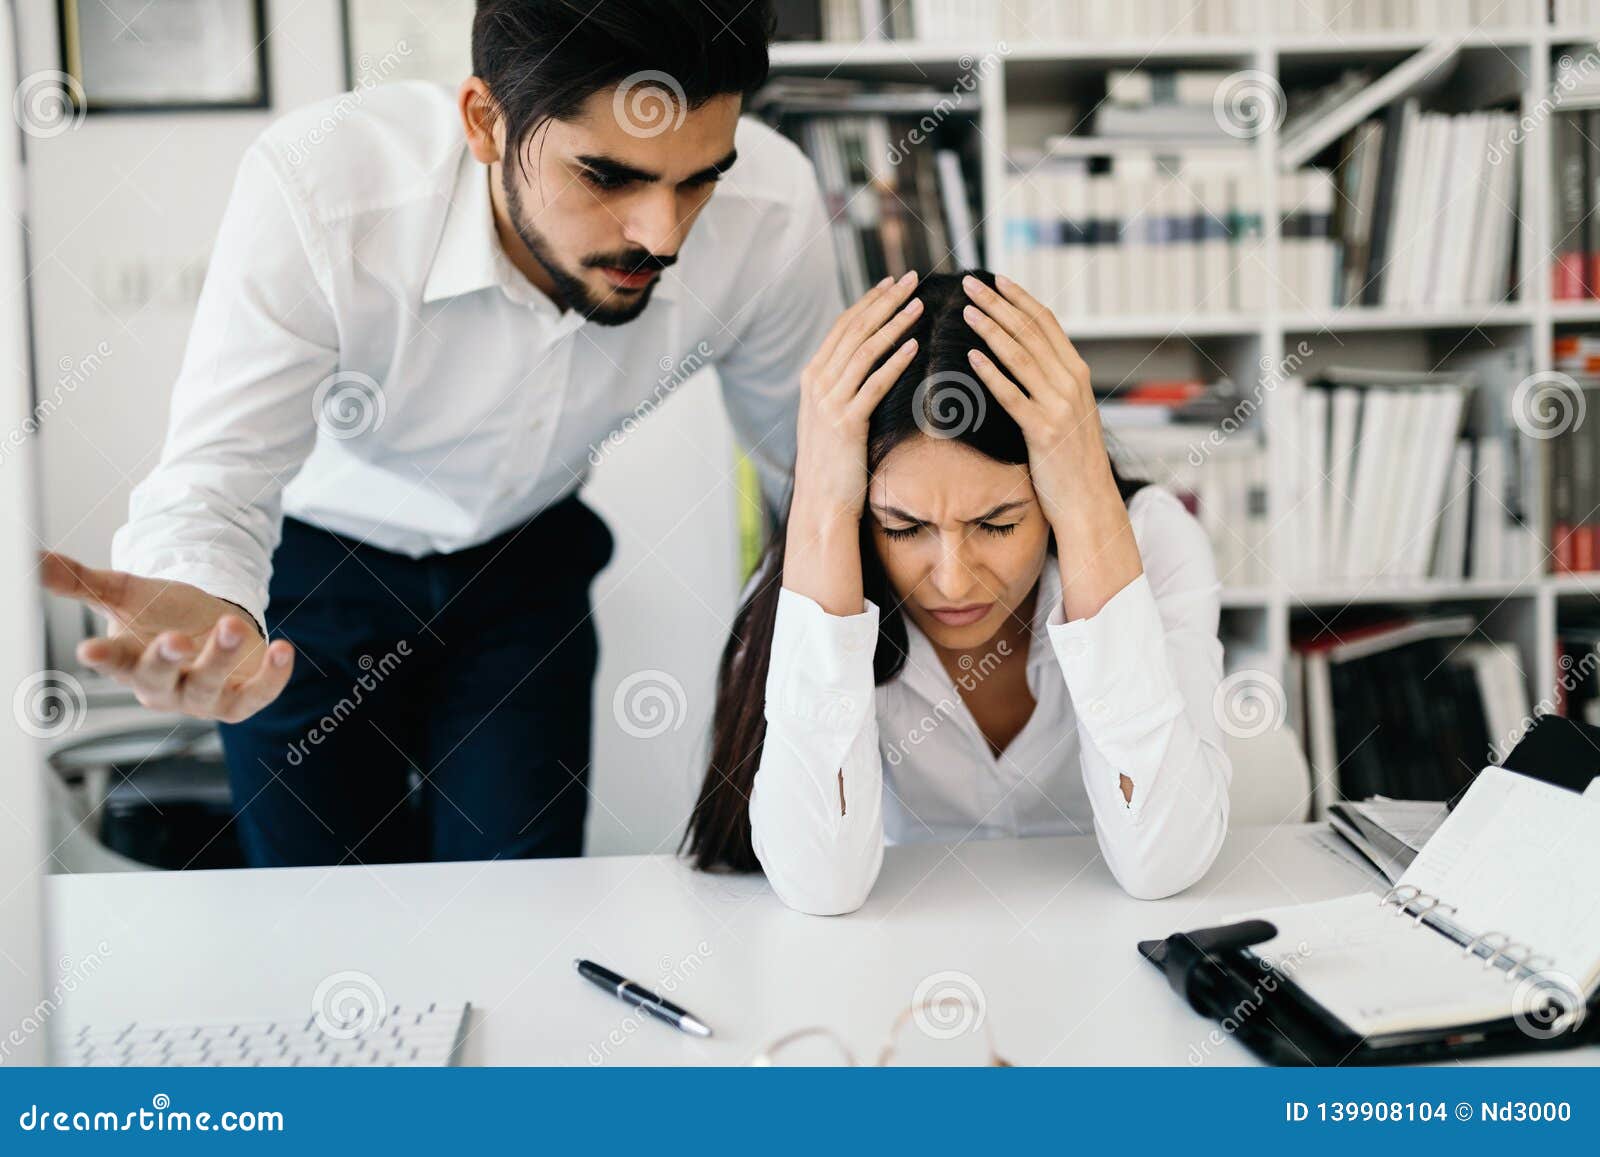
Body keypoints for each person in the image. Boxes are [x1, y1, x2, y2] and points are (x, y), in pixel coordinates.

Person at [40, 0, 843, 867]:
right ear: (485, 122)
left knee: (520, 904)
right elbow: (217, 470)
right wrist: (202, 598)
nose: (662, 234)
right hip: (311, 579)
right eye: (607, 177)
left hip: (523, 566)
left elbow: (816, 469)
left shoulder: (773, 211)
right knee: (321, 917)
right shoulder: (323, 189)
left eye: (698, 180)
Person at [682, 270, 1232, 915]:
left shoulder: (1154, 540)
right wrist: (820, 509)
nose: (952, 580)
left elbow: (1163, 863)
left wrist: (1088, 506)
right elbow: (819, 885)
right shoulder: (818, 564)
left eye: (998, 523)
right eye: (904, 526)